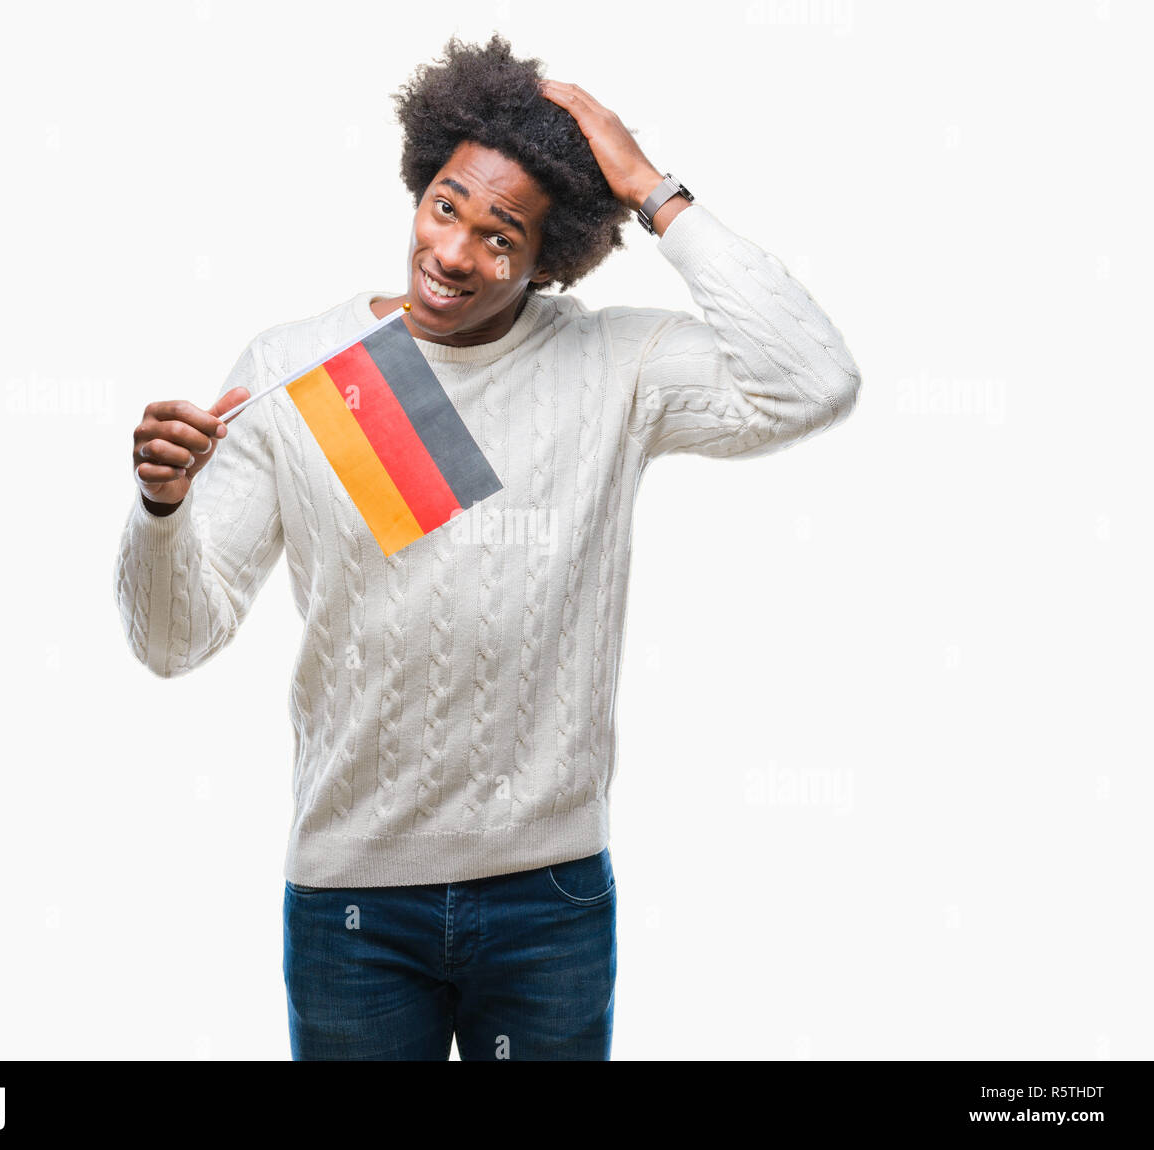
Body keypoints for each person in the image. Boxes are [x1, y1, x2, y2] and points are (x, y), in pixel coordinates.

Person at [113, 33, 861, 1060]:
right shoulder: (299, 370)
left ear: (551, 261)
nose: (455, 252)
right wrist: (162, 510)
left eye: (502, 236)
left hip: (547, 898)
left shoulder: (614, 364)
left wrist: (651, 186)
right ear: (421, 184)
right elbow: (172, 641)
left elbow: (813, 379)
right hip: (352, 906)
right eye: (446, 204)